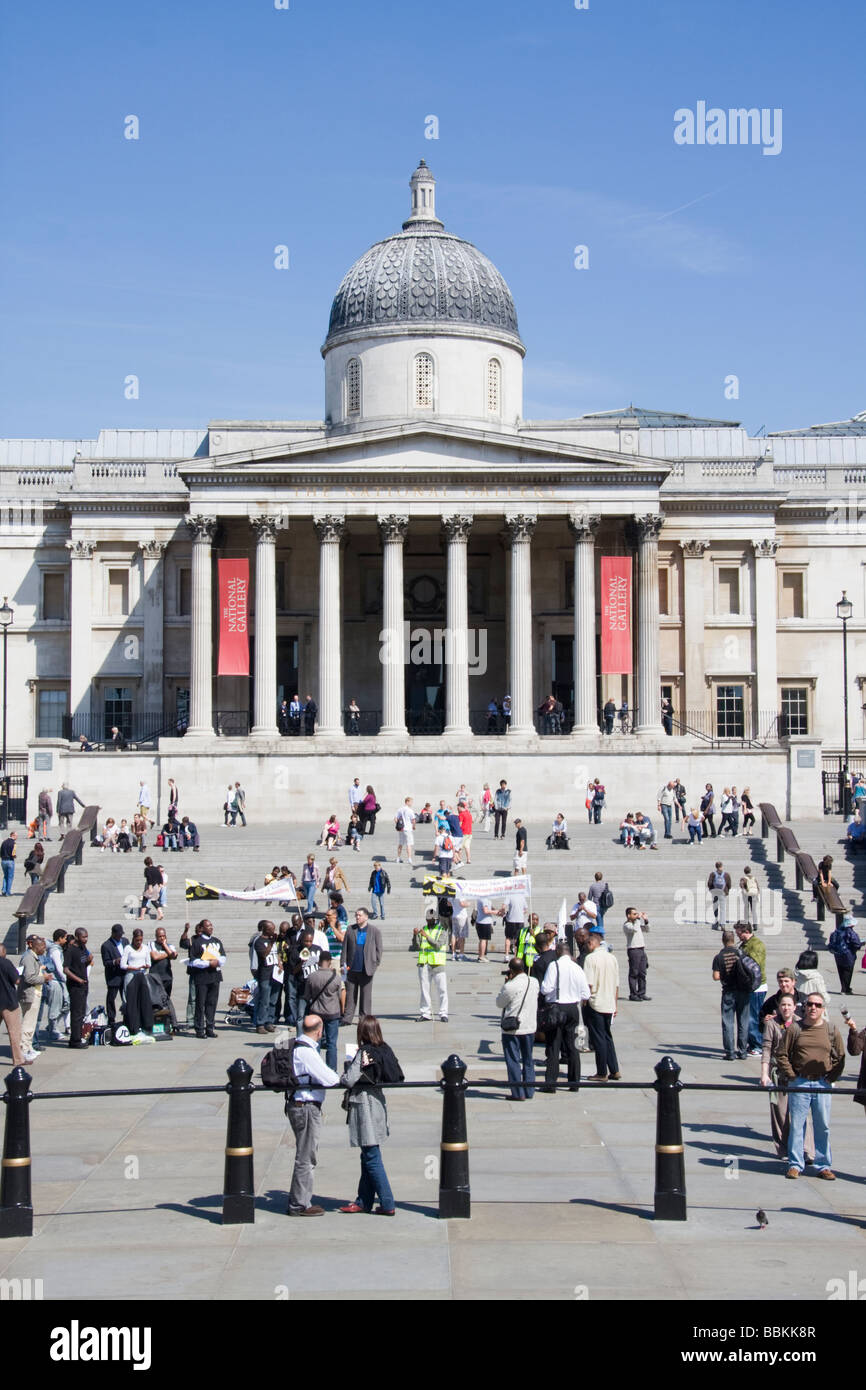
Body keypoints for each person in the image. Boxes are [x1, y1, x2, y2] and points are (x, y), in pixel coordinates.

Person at [775, 993, 845, 1179]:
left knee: (823, 1126)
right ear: (805, 1007)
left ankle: (823, 1165)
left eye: (818, 1005)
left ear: (823, 1009)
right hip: (800, 1082)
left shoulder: (831, 1029)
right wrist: (792, 1076)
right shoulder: (795, 1028)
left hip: (822, 1083)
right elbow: (781, 1054)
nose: (813, 1008)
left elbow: (840, 1056)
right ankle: (795, 1164)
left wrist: (832, 1077)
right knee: (797, 1126)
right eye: (810, 1004)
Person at [338, 1015, 403, 1216]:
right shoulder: (385, 1049)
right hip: (378, 1103)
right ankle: (363, 1201)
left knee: (372, 1157)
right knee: (368, 1154)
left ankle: (387, 1202)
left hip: (365, 1106)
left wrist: (346, 1068)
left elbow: (349, 1080)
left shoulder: (364, 1052)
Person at [286, 1014, 341, 1216]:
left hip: (297, 1104)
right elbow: (330, 1079)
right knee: (306, 1156)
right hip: (306, 1107)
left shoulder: (297, 1046)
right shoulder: (307, 1052)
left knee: (305, 1154)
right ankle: (299, 1204)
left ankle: (301, 1200)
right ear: (319, 1031)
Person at [762, 994, 815, 1163]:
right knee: (780, 1113)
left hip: (798, 1073)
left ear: (794, 1007)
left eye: (789, 1005)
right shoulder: (772, 1024)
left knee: (803, 1112)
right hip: (779, 1073)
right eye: (783, 1005)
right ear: (779, 1007)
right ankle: (783, 1148)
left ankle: (807, 1151)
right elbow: (766, 1049)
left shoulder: (801, 1023)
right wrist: (764, 1074)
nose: (786, 1008)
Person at [539, 942, 591, 1092]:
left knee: (553, 1046)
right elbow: (586, 994)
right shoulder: (577, 967)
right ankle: (574, 1083)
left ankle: (551, 1084)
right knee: (573, 1046)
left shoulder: (554, 966)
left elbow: (546, 988)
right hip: (572, 1008)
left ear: (558, 952)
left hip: (556, 1008)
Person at [496, 959, 540, 1100]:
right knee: (528, 1059)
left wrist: (506, 983)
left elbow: (500, 1003)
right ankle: (529, 1090)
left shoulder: (510, 986)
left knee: (513, 1060)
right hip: (529, 1026)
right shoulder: (534, 982)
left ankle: (517, 1093)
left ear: (511, 971)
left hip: (512, 1028)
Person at [583, 930, 620, 1080]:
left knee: (598, 1038)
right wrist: (615, 1004)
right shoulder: (612, 958)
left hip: (596, 1002)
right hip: (609, 1002)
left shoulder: (590, 959)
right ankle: (614, 1069)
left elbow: (589, 984)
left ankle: (602, 1072)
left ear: (591, 943)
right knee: (607, 1036)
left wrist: (584, 1001)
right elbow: (616, 985)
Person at [712, 929, 751, 1060]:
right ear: (734, 940)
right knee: (743, 1021)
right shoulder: (741, 953)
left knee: (728, 1022)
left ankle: (730, 1052)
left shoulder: (719, 957)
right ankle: (743, 1051)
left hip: (729, 992)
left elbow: (716, 976)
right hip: (743, 991)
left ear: (723, 940)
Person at [340, 908, 383, 1025]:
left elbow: (379, 949)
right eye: (356, 915)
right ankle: (347, 1018)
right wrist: (342, 964)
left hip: (366, 969)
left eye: (359, 915)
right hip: (352, 968)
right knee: (350, 995)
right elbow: (344, 948)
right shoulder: (350, 929)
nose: (357, 917)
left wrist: (375, 964)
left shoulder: (374, 931)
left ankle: (364, 1019)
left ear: (366, 917)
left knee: (365, 997)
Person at [303, 952, 344, 1070]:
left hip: (316, 1013)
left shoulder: (312, 977)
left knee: (315, 1042)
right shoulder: (336, 977)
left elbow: (307, 996)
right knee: (331, 1044)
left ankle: (316, 1069)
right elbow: (340, 996)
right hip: (332, 1013)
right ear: (330, 961)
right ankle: (332, 1071)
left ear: (319, 961)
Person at [186, 919, 226, 1039]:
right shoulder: (197, 942)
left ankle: (210, 1027)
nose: (210, 927)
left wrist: (218, 962)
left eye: (211, 925)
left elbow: (223, 956)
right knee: (200, 1004)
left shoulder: (216, 941)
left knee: (212, 1003)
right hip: (202, 977)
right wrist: (208, 963)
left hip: (215, 977)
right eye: (208, 926)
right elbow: (193, 961)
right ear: (202, 928)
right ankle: (199, 1029)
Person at [736, 920, 767, 1054]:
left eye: (739, 934)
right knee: (748, 1016)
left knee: (753, 1016)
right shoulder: (745, 944)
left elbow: (754, 965)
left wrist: (740, 957)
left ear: (746, 931)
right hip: (748, 985)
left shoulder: (757, 945)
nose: (738, 936)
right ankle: (752, 1043)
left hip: (757, 986)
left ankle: (757, 1045)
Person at [414, 903, 449, 1022]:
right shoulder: (423, 929)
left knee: (442, 990)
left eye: (431, 919)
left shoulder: (442, 930)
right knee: (424, 990)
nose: (429, 921)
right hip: (424, 963)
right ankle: (425, 1013)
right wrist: (415, 936)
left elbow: (438, 945)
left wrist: (427, 936)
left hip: (437, 964)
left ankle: (443, 1013)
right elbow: (417, 946)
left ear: (435, 919)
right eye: (427, 919)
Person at [19, 935, 50, 1062]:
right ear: (35, 946)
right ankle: (23, 1050)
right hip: (29, 995)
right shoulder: (28, 958)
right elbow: (29, 977)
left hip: (36, 993)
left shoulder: (35, 957)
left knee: (32, 1024)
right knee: (28, 1023)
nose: (44, 949)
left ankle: (29, 1047)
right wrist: (44, 978)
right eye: (42, 947)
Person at [120, 928, 154, 1038]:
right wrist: (134, 967)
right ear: (133, 938)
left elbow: (149, 963)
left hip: (142, 975)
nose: (139, 942)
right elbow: (122, 965)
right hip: (131, 975)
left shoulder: (145, 948)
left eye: (140, 940)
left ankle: (144, 1025)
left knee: (143, 1000)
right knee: (130, 1001)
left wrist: (145, 966)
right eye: (137, 940)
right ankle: (131, 1025)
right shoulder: (128, 948)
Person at [64, 928, 92, 1049]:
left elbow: (83, 963)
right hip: (75, 986)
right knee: (76, 1013)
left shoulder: (82, 948)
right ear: (77, 937)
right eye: (83, 937)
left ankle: (78, 1036)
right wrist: (78, 980)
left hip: (84, 984)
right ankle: (75, 1041)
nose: (85, 939)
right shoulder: (70, 950)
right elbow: (66, 969)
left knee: (81, 1012)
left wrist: (88, 960)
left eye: (86, 937)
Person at [0, 944, 26, 1066]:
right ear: (4, 952)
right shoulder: (6, 963)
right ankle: (18, 1060)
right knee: (14, 1032)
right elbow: (17, 980)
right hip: (8, 1001)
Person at [253, 920, 280, 1034]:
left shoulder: (272, 941)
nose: (274, 931)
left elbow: (276, 954)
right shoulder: (259, 941)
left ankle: (269, 1021)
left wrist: (280, 964)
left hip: (275, 974)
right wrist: (271, 943)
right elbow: (264, 954)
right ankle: (260, 1023)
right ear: (265, 930)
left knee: (273, 1000)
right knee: (264, 1000)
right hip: (265, 975)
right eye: (271, 929)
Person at [828, 914, 863, 995]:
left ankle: (844, 988)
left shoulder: (837, 931)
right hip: (848, 955)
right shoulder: (851, 932)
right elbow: (856, 944)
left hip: (838, 954)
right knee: (848, 972)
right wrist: (861, 943)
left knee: (841, 971)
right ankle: (845, 989)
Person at [101, 923, 128, 1025]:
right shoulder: (106, 945)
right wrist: (115, 961)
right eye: (118, 935)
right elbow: (106, 962)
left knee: (126, 997)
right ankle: (111, 1019)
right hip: (113, 976)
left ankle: (127, 1017)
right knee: (111, 998)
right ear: (113, 934)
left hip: (124, 974)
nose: (120, 937)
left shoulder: (125, 941)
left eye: (121, 934)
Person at [623, 908, 651, 1002]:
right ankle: (633, 994)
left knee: (642, 972)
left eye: (636, 914)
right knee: (634, 973)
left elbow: (647, 929)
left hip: (641, 949)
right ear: (628, 915)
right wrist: (638, 919)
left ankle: (641, 993)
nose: (636, 915)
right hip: (633, 950)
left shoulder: (637, 923)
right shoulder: (627, 925)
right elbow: (634, 929)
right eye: (634, 914)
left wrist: (645, 920)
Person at [148, 925, 177, 998]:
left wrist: (165, 945)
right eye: (160, 936)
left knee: (166, 998)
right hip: (155, 977)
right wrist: (168, 954)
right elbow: (155, 957)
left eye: (164, 936)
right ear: (156, 936)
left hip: (167, 977)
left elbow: (174, 956)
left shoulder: (170, 945)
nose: (162, 938)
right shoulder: (151, 944)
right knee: (156, 999)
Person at [138, 856, 164, 921]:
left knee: (145, 900)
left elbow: (149, 878)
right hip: (156, 886)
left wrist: (150, 886)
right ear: (151, 862)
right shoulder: (156, 869)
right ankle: (161, 913)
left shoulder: (147, 869)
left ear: (145, 863)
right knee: (154, 901)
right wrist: (160, 885)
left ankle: (142, 916)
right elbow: (160, 877)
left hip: (150, 886)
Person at [707, 862, 732, 928]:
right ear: (722, 866)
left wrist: (711, 889)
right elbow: (729, 885)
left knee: (715, 906)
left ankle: (716, 920)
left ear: (716, 866)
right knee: (722, 908)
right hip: (722, 893)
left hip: (715, 892)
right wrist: (727, 891)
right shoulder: (726, 874)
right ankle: (722, 923)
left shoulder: (712, 874)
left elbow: (709, 884)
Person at [395, 797, 416, 866]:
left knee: (400, 843)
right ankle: (409, 859)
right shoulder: (410, 810)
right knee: (409, 844)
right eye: (411, 802)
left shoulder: (400, 809)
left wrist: (398, 825)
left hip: (401, 829)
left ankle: (398, 858)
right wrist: (414, 826)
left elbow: (395, 818)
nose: (411, 803)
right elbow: (413, 820)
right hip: (408, 829)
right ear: (407, 802)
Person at [474, 895, 496, 962]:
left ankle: (481, 955)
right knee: (483, 939)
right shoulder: (484, 899)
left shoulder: (484, 898)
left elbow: (489, 907)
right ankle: (481, 956)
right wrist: (495, 912)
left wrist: (494, 910)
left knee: (483, 940)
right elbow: (485, 911)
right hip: (484, 922)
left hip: (483, 921)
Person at [0, 831, 16, 896]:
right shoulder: (13, 843)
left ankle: (3, 890)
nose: (17, 837)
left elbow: (0, 851)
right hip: (10, 860)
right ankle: (8, 892)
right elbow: (13, 853)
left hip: (3, 861)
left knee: (5, 876)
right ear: (13, 835)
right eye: (16, 836)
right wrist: (14, 856)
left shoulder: (4, 842)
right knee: (10, 877)